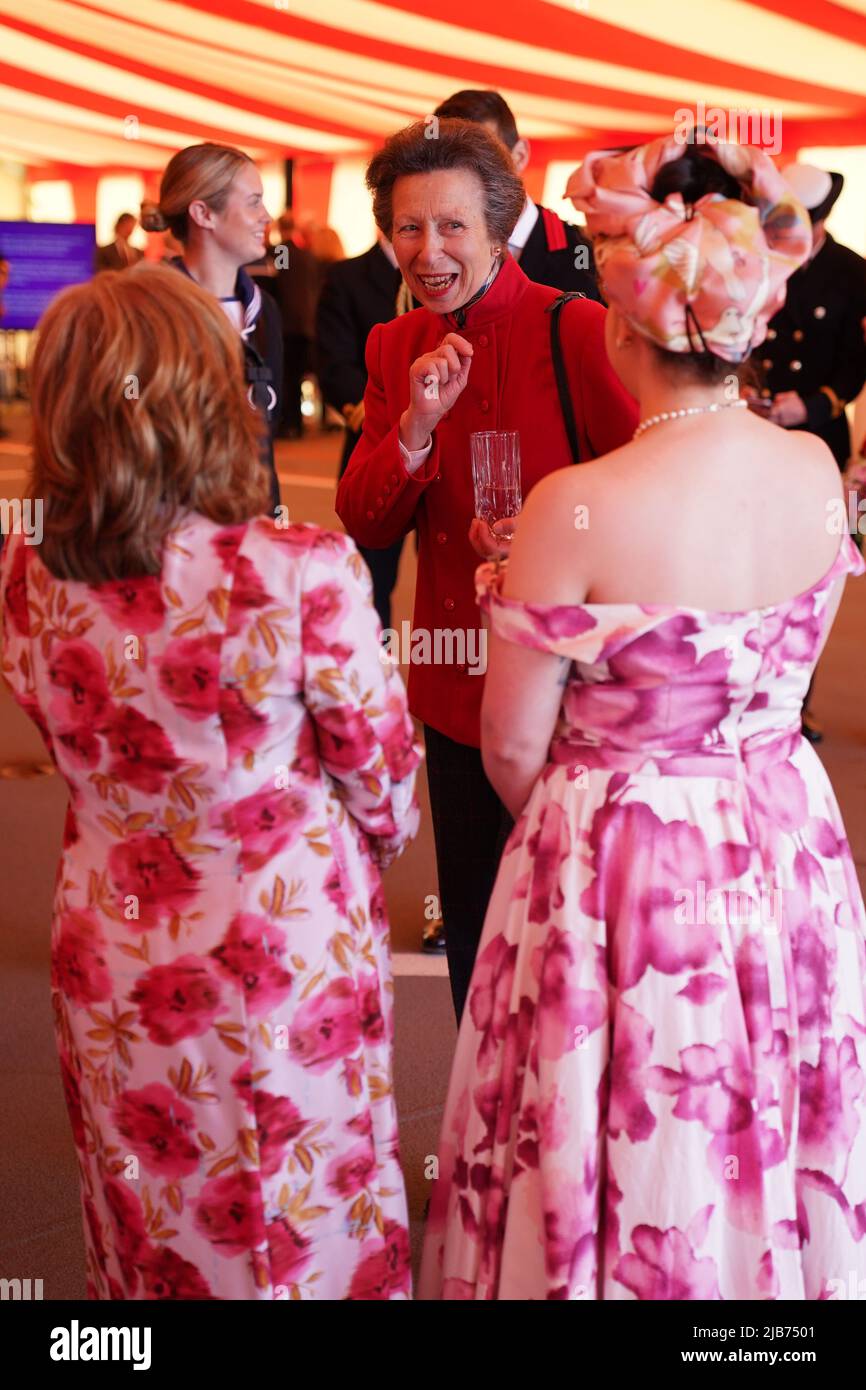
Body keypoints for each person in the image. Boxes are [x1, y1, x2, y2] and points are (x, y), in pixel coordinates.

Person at [419, 135, 866, 1301]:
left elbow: (514, 745)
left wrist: (594, 809)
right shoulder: (815, 471)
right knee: (757, 1090)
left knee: (616, 1108)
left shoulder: (575, 502)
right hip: (783, 833)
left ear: (622, 332)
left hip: (623, 857)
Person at [0, 264, 422, 1300]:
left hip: (109, 934)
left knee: (146, 1200)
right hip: (276, 945)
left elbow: (61, 743)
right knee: (293, 1194)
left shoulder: (26, 571)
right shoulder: (297, 570)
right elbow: (387, 788)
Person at [335, 119, 638, 1021]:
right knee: (474, 923)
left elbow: (643, 483)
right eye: (408, 227)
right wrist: (416, 429)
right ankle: (484, 1120)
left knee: (570, 919)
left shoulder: (577, 328)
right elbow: (362, 513)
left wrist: (557, 533)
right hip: (458, 676)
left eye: (452, 226)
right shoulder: (395, 348)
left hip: (574, 675)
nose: (427, 251)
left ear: (500, 226)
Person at [749, 162, 866, 744]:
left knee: (809, 570)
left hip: (818, 441)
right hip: (753, 433)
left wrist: (814, 405)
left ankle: (796, 698)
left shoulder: (853, 274)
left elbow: (855, 368)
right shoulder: (757, 256)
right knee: (751, 560)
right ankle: (745, 683)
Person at [140, 144, 283, 514]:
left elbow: (268, 432)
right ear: (203, 213)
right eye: (253, 201)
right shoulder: (148, 309)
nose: (266, 216)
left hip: (251, 517)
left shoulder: (263, 310)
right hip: (168, 522)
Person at [317, 230, 405, 631]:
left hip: (447, 446)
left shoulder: (450, 270)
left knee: (454, 570)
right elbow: (334, 361)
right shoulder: (347, 276)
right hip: (374, 438)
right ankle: (373, 671)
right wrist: (375, 408)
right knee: (370, 575)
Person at [433, 89, 600, 301]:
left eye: (485, 159)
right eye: (449, 162)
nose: (465, 177)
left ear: (520, 156)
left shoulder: (584, 254)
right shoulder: (426, 256)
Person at [272, 213, 318, 440]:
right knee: (298, 377)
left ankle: (289, 423)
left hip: (288, 324)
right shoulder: (306, 254)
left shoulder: (283, 251)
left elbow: (281, 282)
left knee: (287, 377)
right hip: (306, 324)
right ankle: (298, 424)